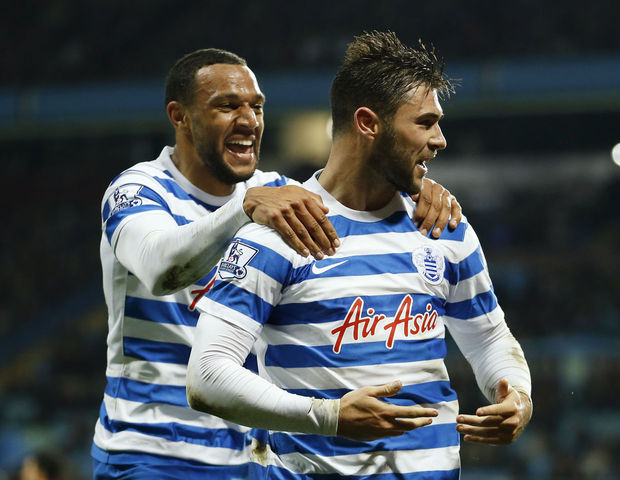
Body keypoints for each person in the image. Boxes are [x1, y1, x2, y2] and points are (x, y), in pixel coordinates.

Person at [91, 47, 462, 478]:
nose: (249, 120)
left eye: (257, 107)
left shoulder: (278, 192)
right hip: (152, 454)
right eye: (228, 106)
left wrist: (420, 189)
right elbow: (160, 268)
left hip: (252, 456)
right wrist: (243, 208)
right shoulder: (138, 190)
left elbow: (357, 204)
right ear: (180, 116)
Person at [186, 31, 532, 479]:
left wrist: (517, 395)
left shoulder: (443, 227)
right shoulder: (279, 234)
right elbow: (207, 376)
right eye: (425, 123)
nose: (440, 139)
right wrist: (330, 417)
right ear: (368, 123)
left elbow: (487, 338)